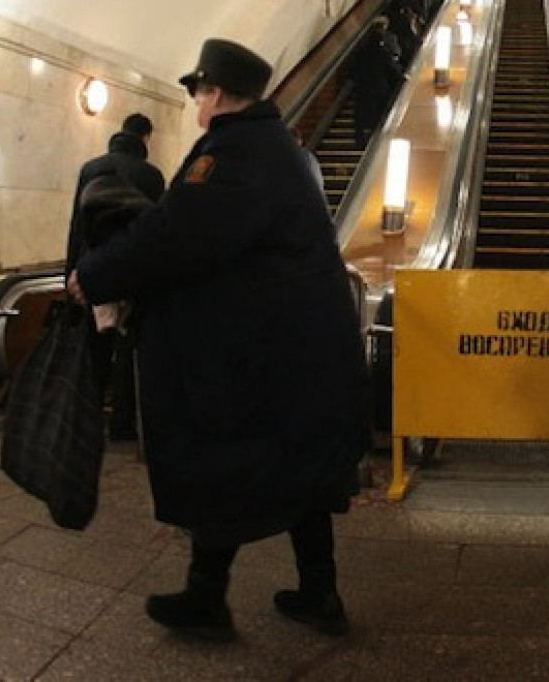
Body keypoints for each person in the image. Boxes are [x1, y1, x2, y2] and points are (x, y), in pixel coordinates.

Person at [68, 38, 371, 640]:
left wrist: (95, 274)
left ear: (215, 93)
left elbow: (176, 232)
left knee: (222, 459)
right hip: (295, 350)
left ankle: (209, 600)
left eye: (198, 92)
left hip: (263, 355)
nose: (196, 104)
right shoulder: (273, 147)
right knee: (297, 470)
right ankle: (316, 593)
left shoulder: (236, 153)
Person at [65, 112, 166, 442]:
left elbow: (77, 227)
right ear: (146, 137)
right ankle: (123, 423)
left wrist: (71, 274)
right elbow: (154, 233)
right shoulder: (151, 176)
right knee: (128, 347)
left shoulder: (90, 169)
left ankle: (87, 419)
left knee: (94, 346)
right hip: (133, 275)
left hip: (92, 270)